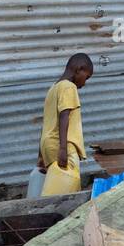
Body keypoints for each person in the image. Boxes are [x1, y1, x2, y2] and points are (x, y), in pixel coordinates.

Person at [37, 53, 93, 196]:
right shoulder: (69, 87)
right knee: (67, 195)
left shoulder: (53, 88)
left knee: (55, 190)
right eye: (86, 77)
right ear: (79, 69)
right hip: (63, 146)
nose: (84, 83)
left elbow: (46, 124)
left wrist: (41, 156)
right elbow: (64, 116)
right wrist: (63, 149)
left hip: (48, 146)